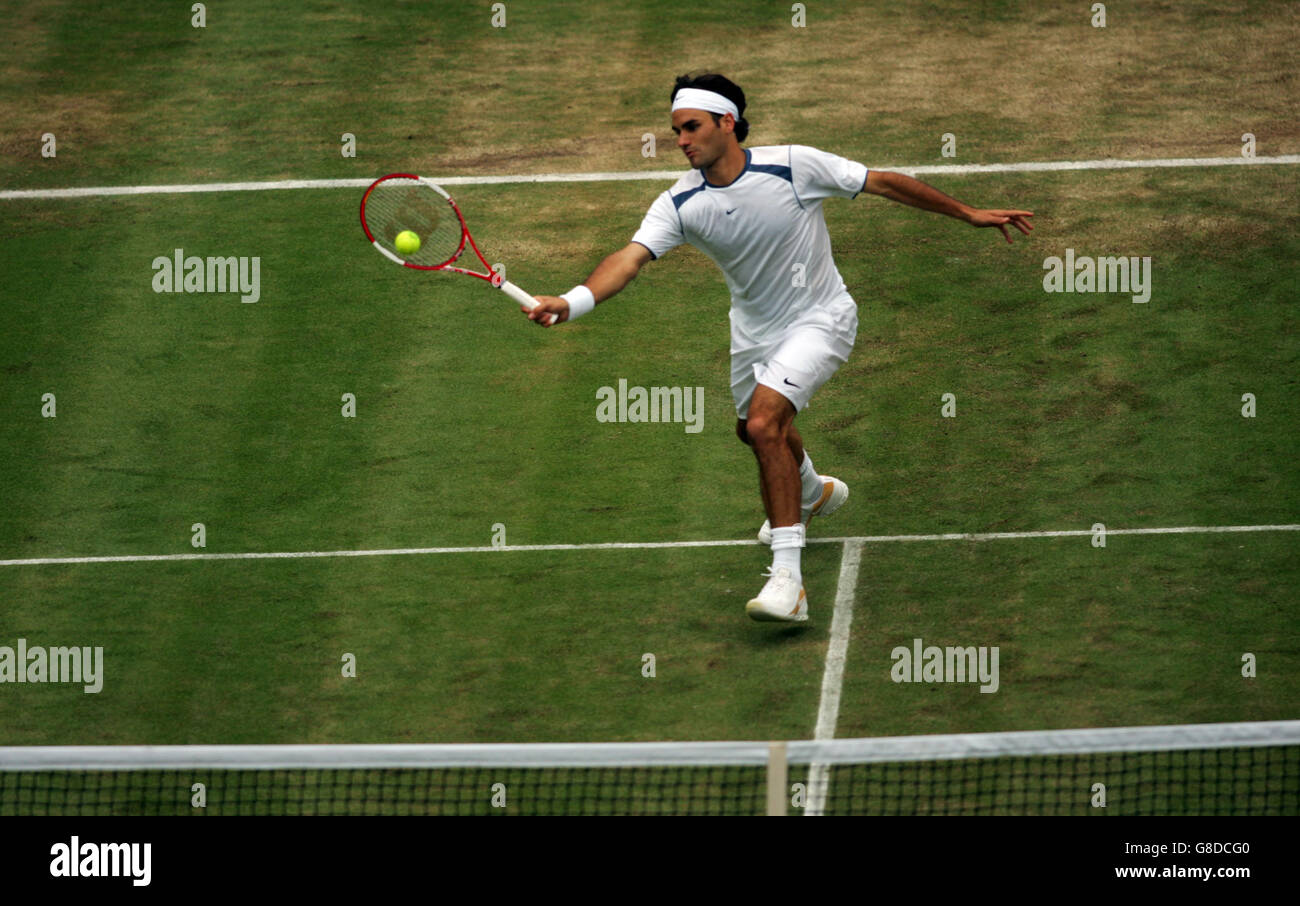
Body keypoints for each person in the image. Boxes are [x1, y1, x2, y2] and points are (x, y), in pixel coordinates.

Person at [526, 73, 1032, 623]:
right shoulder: (679, 202)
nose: (681, 141)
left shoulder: (793, 165)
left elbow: (881, 182)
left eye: (691, 127)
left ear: (727, 123)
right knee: (752, 430)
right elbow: (630, 258)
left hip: (821, 319)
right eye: (675, 132)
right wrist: (572, 301)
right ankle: (812, 492)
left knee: (766, 425)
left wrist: (967, 213)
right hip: (753, 333)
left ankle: (787, 582)